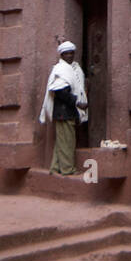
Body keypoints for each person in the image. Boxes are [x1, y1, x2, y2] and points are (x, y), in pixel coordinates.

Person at [38, 41, 88, 175]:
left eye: (72, 53)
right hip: (63, 112)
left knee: (62, 141)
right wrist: (78, 102)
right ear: (62, 55)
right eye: (66, 53)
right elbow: (60, 93)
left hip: (66, 112)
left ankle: (55, 168)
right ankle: (67, 169)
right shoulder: (61, 70)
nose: (70, 56)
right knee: (67, 142)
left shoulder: (72, 69)